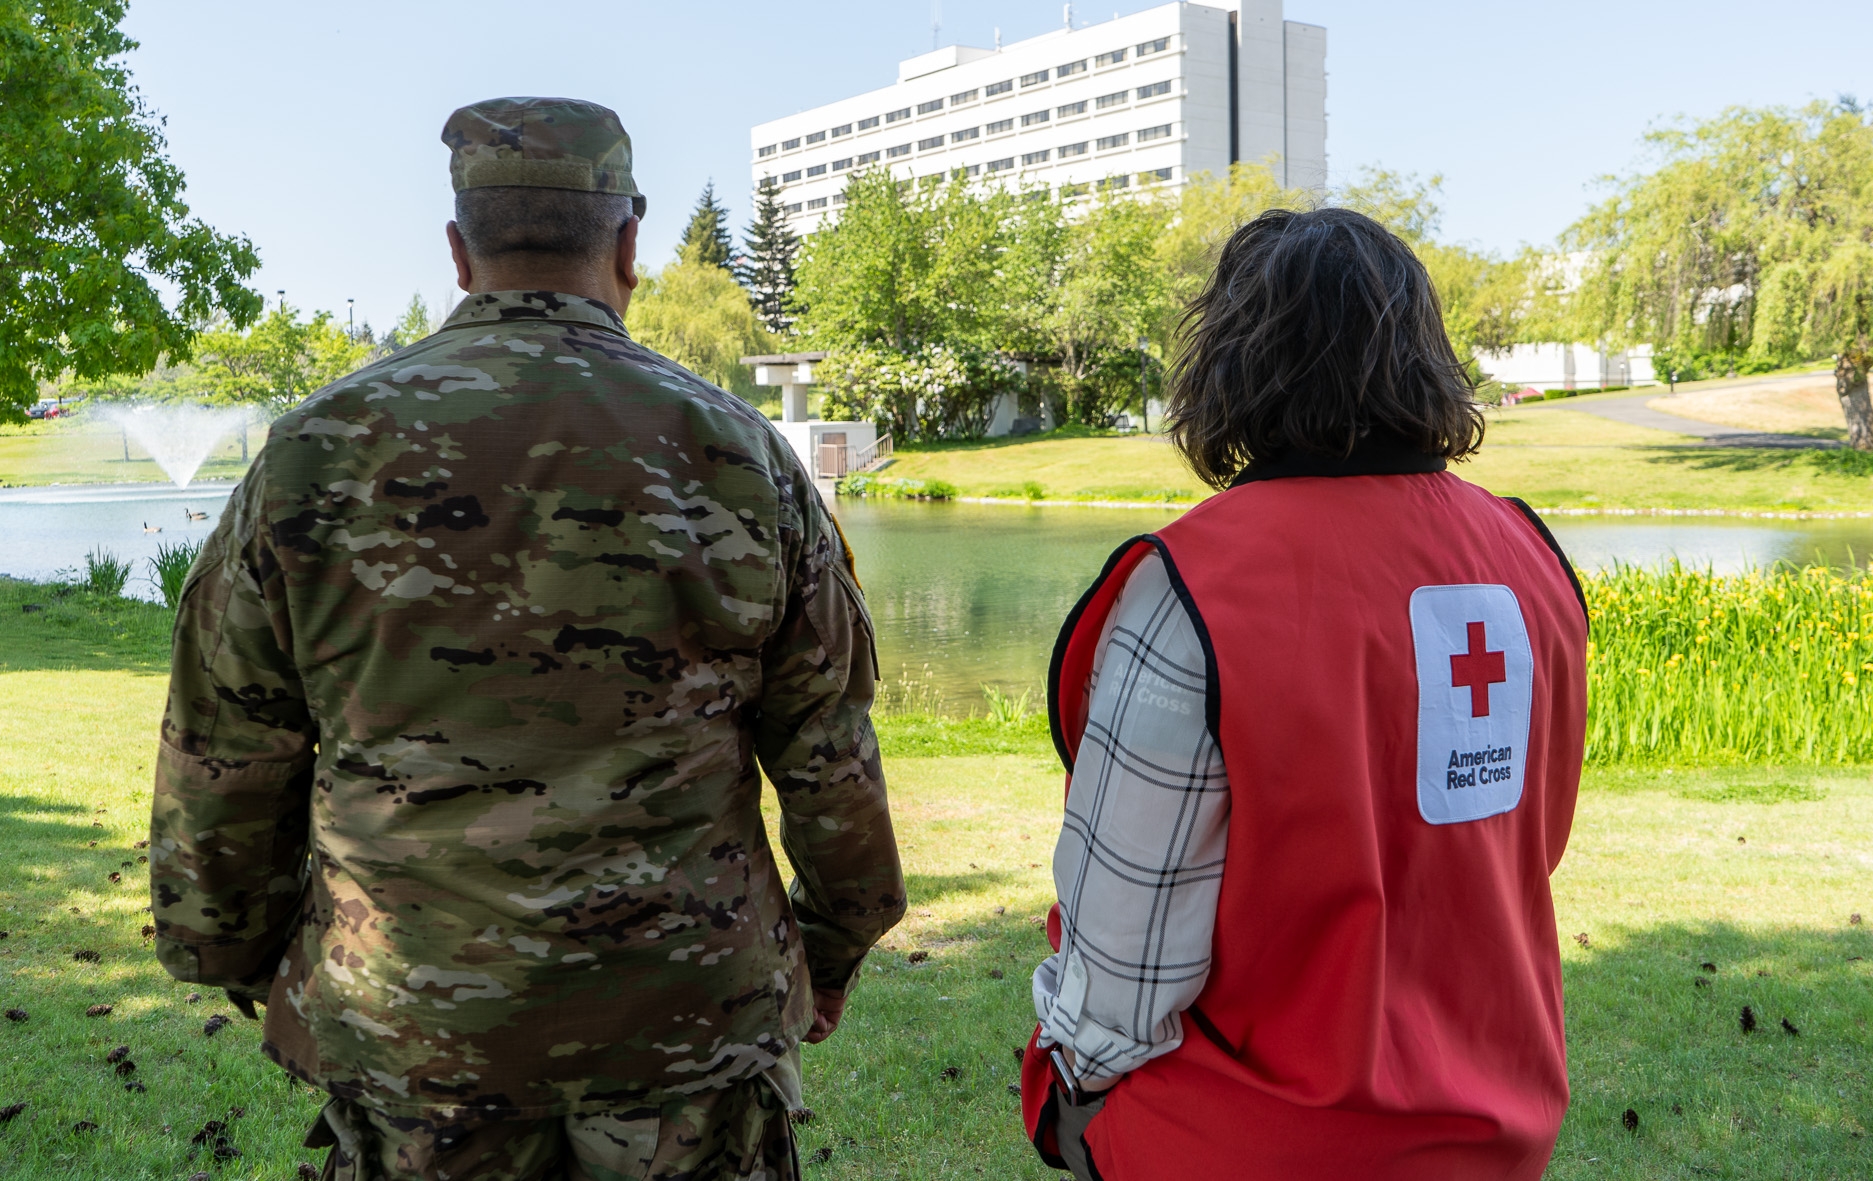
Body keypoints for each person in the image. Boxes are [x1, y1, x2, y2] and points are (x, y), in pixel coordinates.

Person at [149, 97, 906, 1180]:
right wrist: (828, 948)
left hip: (413, 1034)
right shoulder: (739, 458)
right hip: (684, 1031)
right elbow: (830, 756)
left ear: (458, 251)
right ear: (630, 244)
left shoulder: (313, 456)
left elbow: (223, 760)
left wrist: (253, 962)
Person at [1020, 207, 1588, 1180]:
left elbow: (1123, 964)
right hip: (1495, 1128)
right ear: (1422, 353)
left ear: (1233, 361)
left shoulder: (1190, 586)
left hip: (1248, 1140)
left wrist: (1068, 1101)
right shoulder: (1527, 556)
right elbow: (1520, 845)